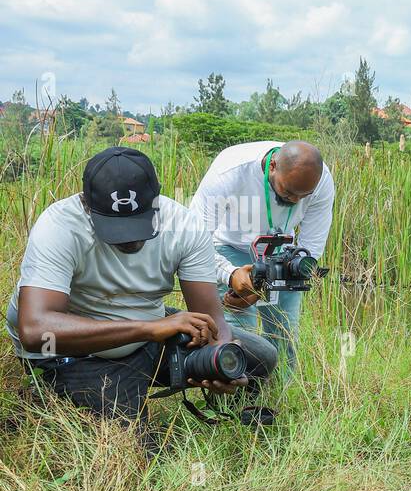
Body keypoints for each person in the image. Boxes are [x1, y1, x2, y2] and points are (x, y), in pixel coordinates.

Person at [7, 146, 277, 449]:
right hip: (73, 348)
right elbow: (35, 331)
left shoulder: (183, 225)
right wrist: (148, 329)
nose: (129, 239)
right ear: (86, 206)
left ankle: (230, 420)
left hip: (148, 330)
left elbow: (211, 319)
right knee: (138, 452)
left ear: (155, 202)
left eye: (139, 224)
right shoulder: (59, 225)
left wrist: (221, 357)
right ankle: (51, 391)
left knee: (257, 357)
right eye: (115, 228)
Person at [190, 139, 334, 373]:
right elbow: (195, 243)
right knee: (240, 332)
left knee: (284, 330)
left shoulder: (321, 181)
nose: (295, 200)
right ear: (273, 165)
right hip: (230, 248)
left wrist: (285, 275)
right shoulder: (230, 171)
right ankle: (237, 396)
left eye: (303, 195)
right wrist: (230, 274)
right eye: (288, 191)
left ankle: (280, 397)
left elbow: (312, 247)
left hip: (281, 254)